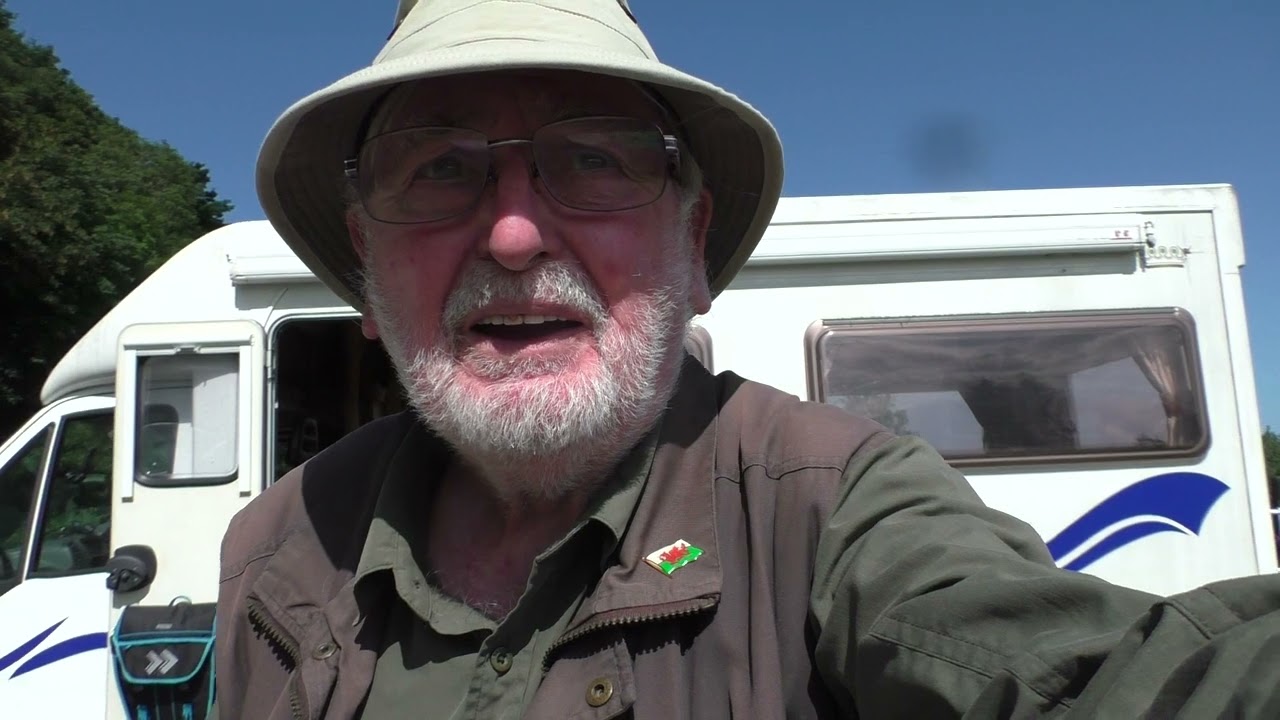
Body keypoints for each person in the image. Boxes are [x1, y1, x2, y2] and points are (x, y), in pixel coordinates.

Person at [214, 1, 1280, 717]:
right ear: (364, 259)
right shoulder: (277, 547)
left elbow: (1114, 685)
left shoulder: (835, 505)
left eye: (593, 159)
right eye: (438, 169)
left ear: (694, 246)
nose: (511, 235)